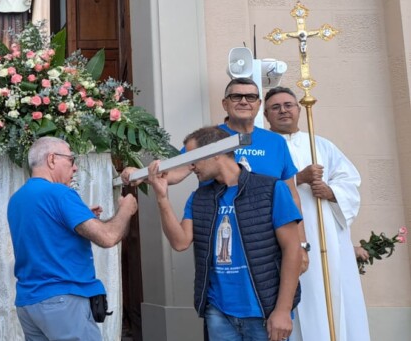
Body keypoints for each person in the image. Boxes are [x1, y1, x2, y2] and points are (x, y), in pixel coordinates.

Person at [121, 77, 310, 270]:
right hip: (220, 229)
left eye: (251, 97)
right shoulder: (208, 139)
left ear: (259, 104)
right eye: (236, 96)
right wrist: (141, 174)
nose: (244, 101)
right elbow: (174, 173)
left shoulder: (275, 142)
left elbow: (292, 196)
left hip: (266, 237)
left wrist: (301, 244)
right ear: (225, 103)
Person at [149, 126, 302, 341]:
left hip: (263, 311)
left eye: (194, 158)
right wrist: (162, 197)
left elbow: (292, 250)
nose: (191, 166)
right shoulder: (199, 197)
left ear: (216, 152)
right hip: (219, 312)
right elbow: (180, 242)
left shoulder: (271, 189)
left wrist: (283, 310)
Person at [264, 87, 370, 341]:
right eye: (275, 107)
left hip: (325, 240)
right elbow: (259, 188)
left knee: (330, 294)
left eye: (288, 105)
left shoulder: (321, 145)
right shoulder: (265, 148)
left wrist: (331, 191)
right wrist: (298, 178)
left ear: (299, 110)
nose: (283, 110)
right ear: (266, 115)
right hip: (283, 238)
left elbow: (350, 180)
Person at [7, 137, 138, 341]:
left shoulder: (17, 199)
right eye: (71, 160)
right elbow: (108, 237)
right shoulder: (60, 193)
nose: (75, 168)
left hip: (28, 303)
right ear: (52, 159)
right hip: (63, 301)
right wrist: (126, 210)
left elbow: (45, 232)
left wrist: (80, 215)